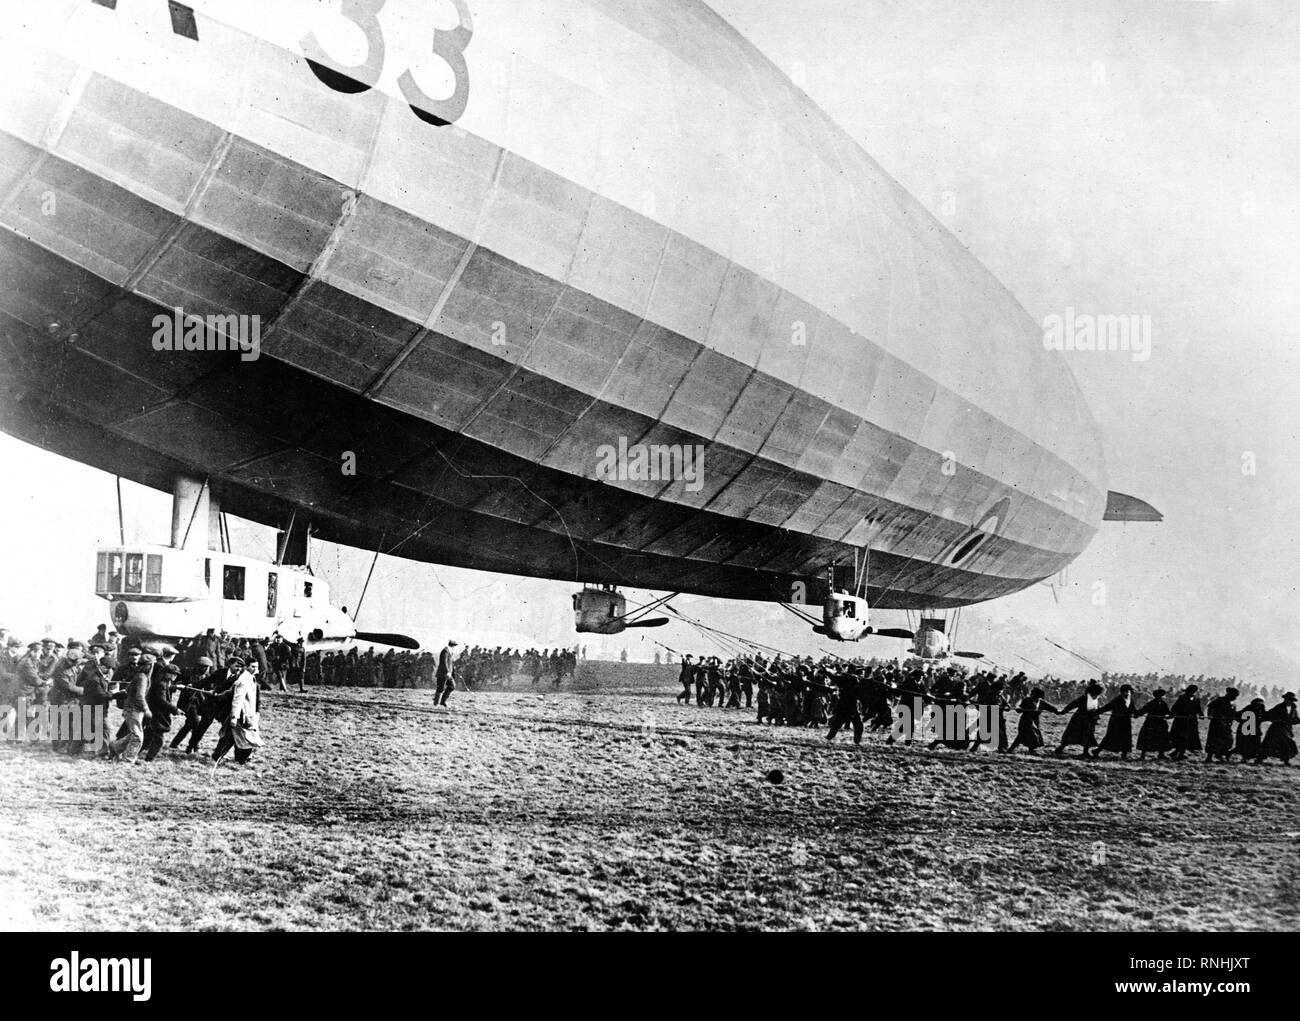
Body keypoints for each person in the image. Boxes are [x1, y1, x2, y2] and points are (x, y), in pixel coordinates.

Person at [212, 659, 262, 767]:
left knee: (234, 738)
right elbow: (237, 700)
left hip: (247, 714)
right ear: (247, 667)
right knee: (239, 738)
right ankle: (236, 759)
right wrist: (234, 717)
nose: (255, 669)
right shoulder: (244, 680)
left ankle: (237, 759)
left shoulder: (250, 678)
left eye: (256, 667)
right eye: (252, 666)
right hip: (241, 715)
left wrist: (255, 713)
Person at [107, 653, 153, 764]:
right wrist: (147, 710)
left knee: (134, 734)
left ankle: (115, 747)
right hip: (134, 709)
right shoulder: (142, 677)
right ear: (149, 666)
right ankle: (127, 759)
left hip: (133, 709)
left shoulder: (139, 676)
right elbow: (140, 696)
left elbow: (128, 690)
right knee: (137, 736)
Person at [1055, 681, 1104, 757]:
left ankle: (1085, 752)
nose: (1097, 696)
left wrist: (1097, 715)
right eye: (1096, 694)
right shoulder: (1084, 698)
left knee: (1088, 736)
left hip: (1089, 721)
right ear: (1092, 692)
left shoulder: (1097, 699)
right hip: (1078, 720)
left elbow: (1098, 709)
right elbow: (1072, 705)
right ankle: (1060, 748)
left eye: (1098, 694)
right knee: (1071, 734)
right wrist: (1063, 711)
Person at [1090, 684, 1137, 759]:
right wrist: (1095, 712)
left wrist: (1136, 714)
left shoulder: (1130, 700)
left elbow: (1133, 710)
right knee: (1110, 737)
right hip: (1116, 721)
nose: (1129, 693)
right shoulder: (1117, 699)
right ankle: (1097, 751)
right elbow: (1107, 707)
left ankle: (1124, 755)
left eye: (1130, 692)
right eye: (1128, 692)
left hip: (1126, 722)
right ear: (1123, 692)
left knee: (1126, 737)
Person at [1007, 688, 1058, 754]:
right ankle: (1025, 750)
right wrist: (1019, 709)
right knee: (1028, 735)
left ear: (1038, 696)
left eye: (1034, 695)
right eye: (1032, 694)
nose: (1031, 696)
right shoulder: (1027, 700)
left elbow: (1052, 708)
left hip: (1034, 721)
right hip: (1025, 721)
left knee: (1024, 736)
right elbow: (1020, 709)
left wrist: (1058, 712)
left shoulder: (1042, 702)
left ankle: (1025, 750)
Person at [1255, 692, 1297, 765]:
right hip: (1276, 729)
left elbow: (1295, 719)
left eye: (1290, 700)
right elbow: (1269, 714)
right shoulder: (1279, 707)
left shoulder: (1293, 709)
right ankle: (1260, 758)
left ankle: (1285, 760)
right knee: (1268, 744)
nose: (1288, 701)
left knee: (1287, 745)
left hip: (1286, 730)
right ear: (1285, 699)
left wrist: (1294, 721)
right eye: (1287, 699)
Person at [1168, 685, 1204, 762]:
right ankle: (1179, 754)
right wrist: (1172, 714)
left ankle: (1177, 753)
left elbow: (1198, 708)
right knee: (1182, 737)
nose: (1192, 693)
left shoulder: (1196, 699)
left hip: (1192, 721)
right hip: (1181, 721)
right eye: (1190, 691)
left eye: (1193, 691)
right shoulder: (1182, 698)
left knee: (1188, 738)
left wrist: (1201, 715)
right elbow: (1175, 707)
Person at [1204, 687, 1239, 763]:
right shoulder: (1220, 700)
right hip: (1217, 724)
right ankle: (1209, 757)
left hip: (1227, 725)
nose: (1235, 698)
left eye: (1236, 697)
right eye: (1234, 696)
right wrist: (1210, 715)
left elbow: (1233, 714)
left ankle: (1219, 754)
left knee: (1229, 740)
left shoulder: (1233, 704)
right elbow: (1210, 706)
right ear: (1229, 694)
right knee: (1214, 740)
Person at [1134, 689, 1171, 760]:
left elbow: (1167, 712)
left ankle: (1161, 754)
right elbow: (1144, 710)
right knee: (1146, 739)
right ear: (1157, 696)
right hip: (1151, 723)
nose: (1161, 697)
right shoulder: (1151, 703)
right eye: (1160, 696)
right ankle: (1142, 755)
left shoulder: (1163, 704)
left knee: (1161, 739)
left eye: (1161, 696)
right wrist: (1137, 714)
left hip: (1161, 724)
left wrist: (1171, 715)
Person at [1234, 697, 1267, 761]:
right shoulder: (1248, 708)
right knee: (1246, 744)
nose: (1258, 705)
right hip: (1247, 729)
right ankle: (1245, 758)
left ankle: (1250, 757)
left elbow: (1264, 716)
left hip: (1254, 729)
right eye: (1257, 704)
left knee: (1254, 744)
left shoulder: (1260, 709)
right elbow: (1238, 715)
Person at [435, 640, 458, 706]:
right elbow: (444, 662)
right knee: (440, 688)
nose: (454, 647)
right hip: (443, 673)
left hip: (448, 674)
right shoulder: (445, 651)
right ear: (452, 645)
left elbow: (450, 663)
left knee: (452, 686)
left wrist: (453, 672)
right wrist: (447, 672)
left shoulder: (450, 652)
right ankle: (436, 703)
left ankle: (442, 702)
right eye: (454, 645)